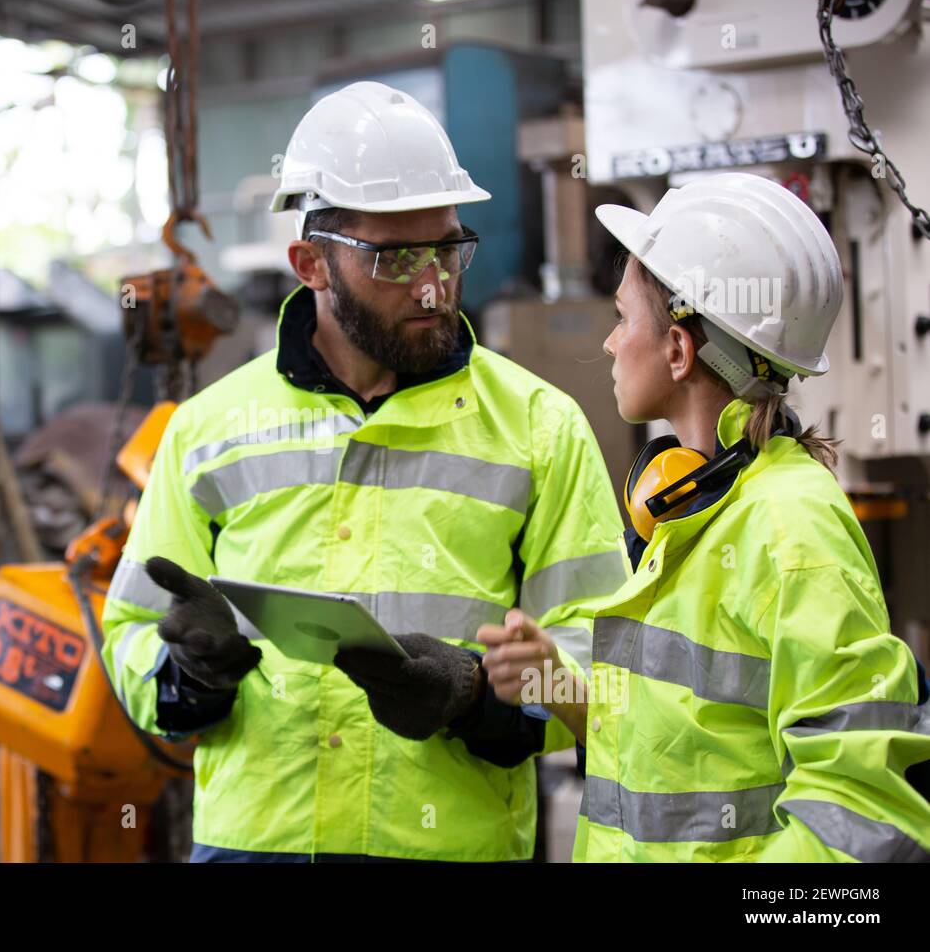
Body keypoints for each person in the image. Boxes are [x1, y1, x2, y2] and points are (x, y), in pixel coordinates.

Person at [100, 81, 624, 862]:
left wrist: (478, 697)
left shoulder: (540, 429)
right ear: (310, 264)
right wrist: (189, 672)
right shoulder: (209, 430)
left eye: (448, 249)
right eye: (396, 258)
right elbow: (132, 636)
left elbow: (601, 666)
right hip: (255, 848)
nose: (433, 284)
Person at [480, 172, 930, 861]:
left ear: (679, 350)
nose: (609, 343)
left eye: (622, 317)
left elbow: (862, 816)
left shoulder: (788, 529)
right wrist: (563, 689)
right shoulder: (692, 509)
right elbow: (686, 753)